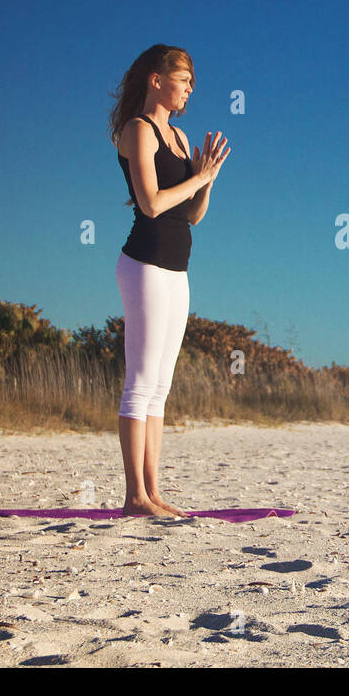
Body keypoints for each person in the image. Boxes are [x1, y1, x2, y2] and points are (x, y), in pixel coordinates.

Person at [107, 45, 230, 517]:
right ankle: (133, 495)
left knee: (160, 387)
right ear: (156, 79)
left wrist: (208, 178)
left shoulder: (179, 137)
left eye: (193, 82)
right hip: (144, 266)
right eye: (184, 78)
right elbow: (152, 204)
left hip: (177, 271)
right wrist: (196, 181)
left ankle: (153, 493)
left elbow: (192, 216)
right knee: (139, 383)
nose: (190, 89)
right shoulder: (137, 131)